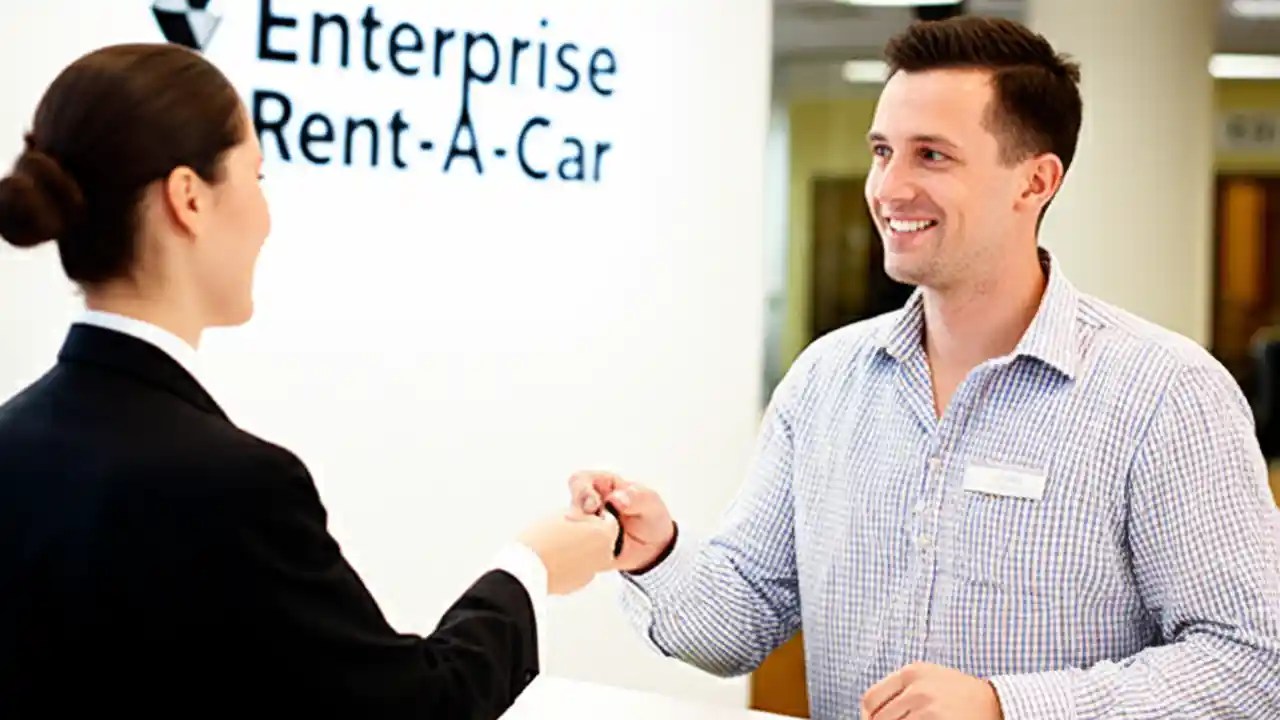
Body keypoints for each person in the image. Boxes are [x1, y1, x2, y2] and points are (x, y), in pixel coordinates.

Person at [569, 16, 1280, 720]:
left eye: (931, 156)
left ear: (1035, 182)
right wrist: (656, 552)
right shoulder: (827, 383)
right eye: (883, 151)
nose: (888, 187)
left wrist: (1008, 707)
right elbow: (739, 624)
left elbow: (1252, 664)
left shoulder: (1167, 396)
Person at [0, 43, 620, 718]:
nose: (267, 219)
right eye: (257, 177)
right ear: (189, 199)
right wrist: (533, 566)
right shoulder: (235, 487)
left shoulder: (12, 440)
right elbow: (420, 707)